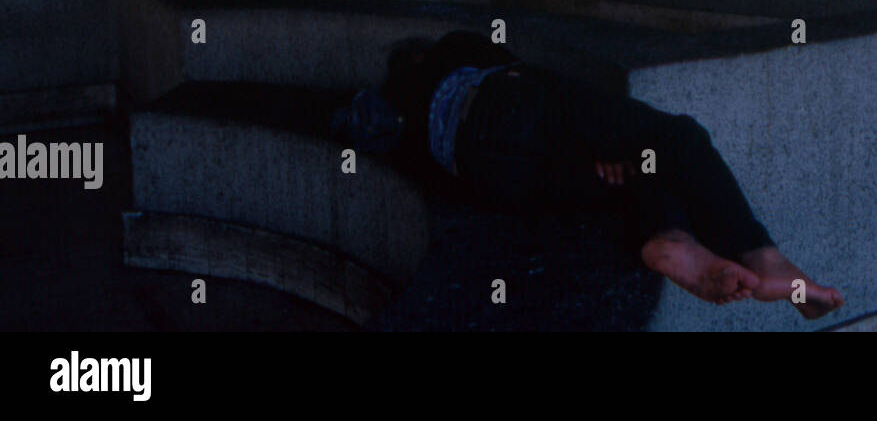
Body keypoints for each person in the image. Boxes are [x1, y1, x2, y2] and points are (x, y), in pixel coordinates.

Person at [334, 31, 845, 319]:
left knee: (634, 171)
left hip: (487, 178)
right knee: (675, 139)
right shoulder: (454, 52)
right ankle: (763, 254)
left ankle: (669, 238)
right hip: (508, 107)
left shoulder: (407, 126)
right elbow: (522, 76)